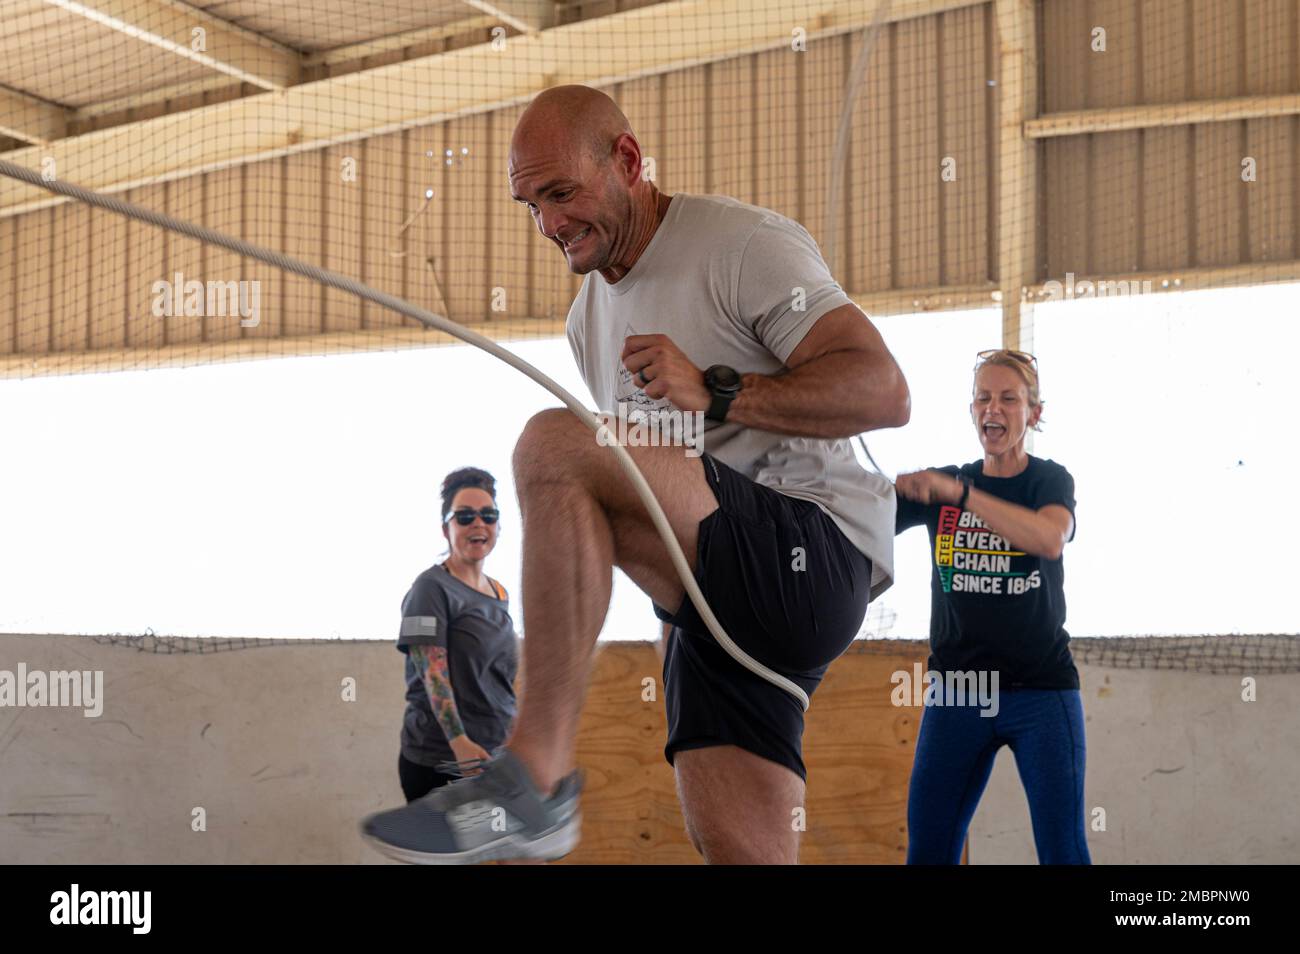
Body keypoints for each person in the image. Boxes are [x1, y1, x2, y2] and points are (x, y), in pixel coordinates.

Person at [362, 84, 910, 865]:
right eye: (531, 206)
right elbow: (640, 503)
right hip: (714, 606)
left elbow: (885, 393)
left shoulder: (741, 243)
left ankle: (533, 781)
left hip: (811, 552)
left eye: (561, 192)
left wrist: (720, 388)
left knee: (552, 446)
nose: (549, 225)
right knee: (739, 849)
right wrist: (679, 645)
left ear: (625, 161)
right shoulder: (587, 322)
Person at [894, 348, 1090, 864]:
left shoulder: (1049, 481)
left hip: (1041, 691)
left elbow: (1049, 538)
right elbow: (859, 516)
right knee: (929, 851)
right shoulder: (943, 482)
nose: (993, 409)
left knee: (1063, 851)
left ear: (1034, 413)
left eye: (1008, 399)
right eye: (983, 398)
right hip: (958, 691)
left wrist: (960, 496)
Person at [395, 467, 517, 804]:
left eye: (488, 515)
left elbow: (497, 680)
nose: (478, 523)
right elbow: (432, 672)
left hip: (494, 757)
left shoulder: (499, 593)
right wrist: (459, 742)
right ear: (445, 528)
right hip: (444, 760)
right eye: (464, 517)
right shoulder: (430, 588)